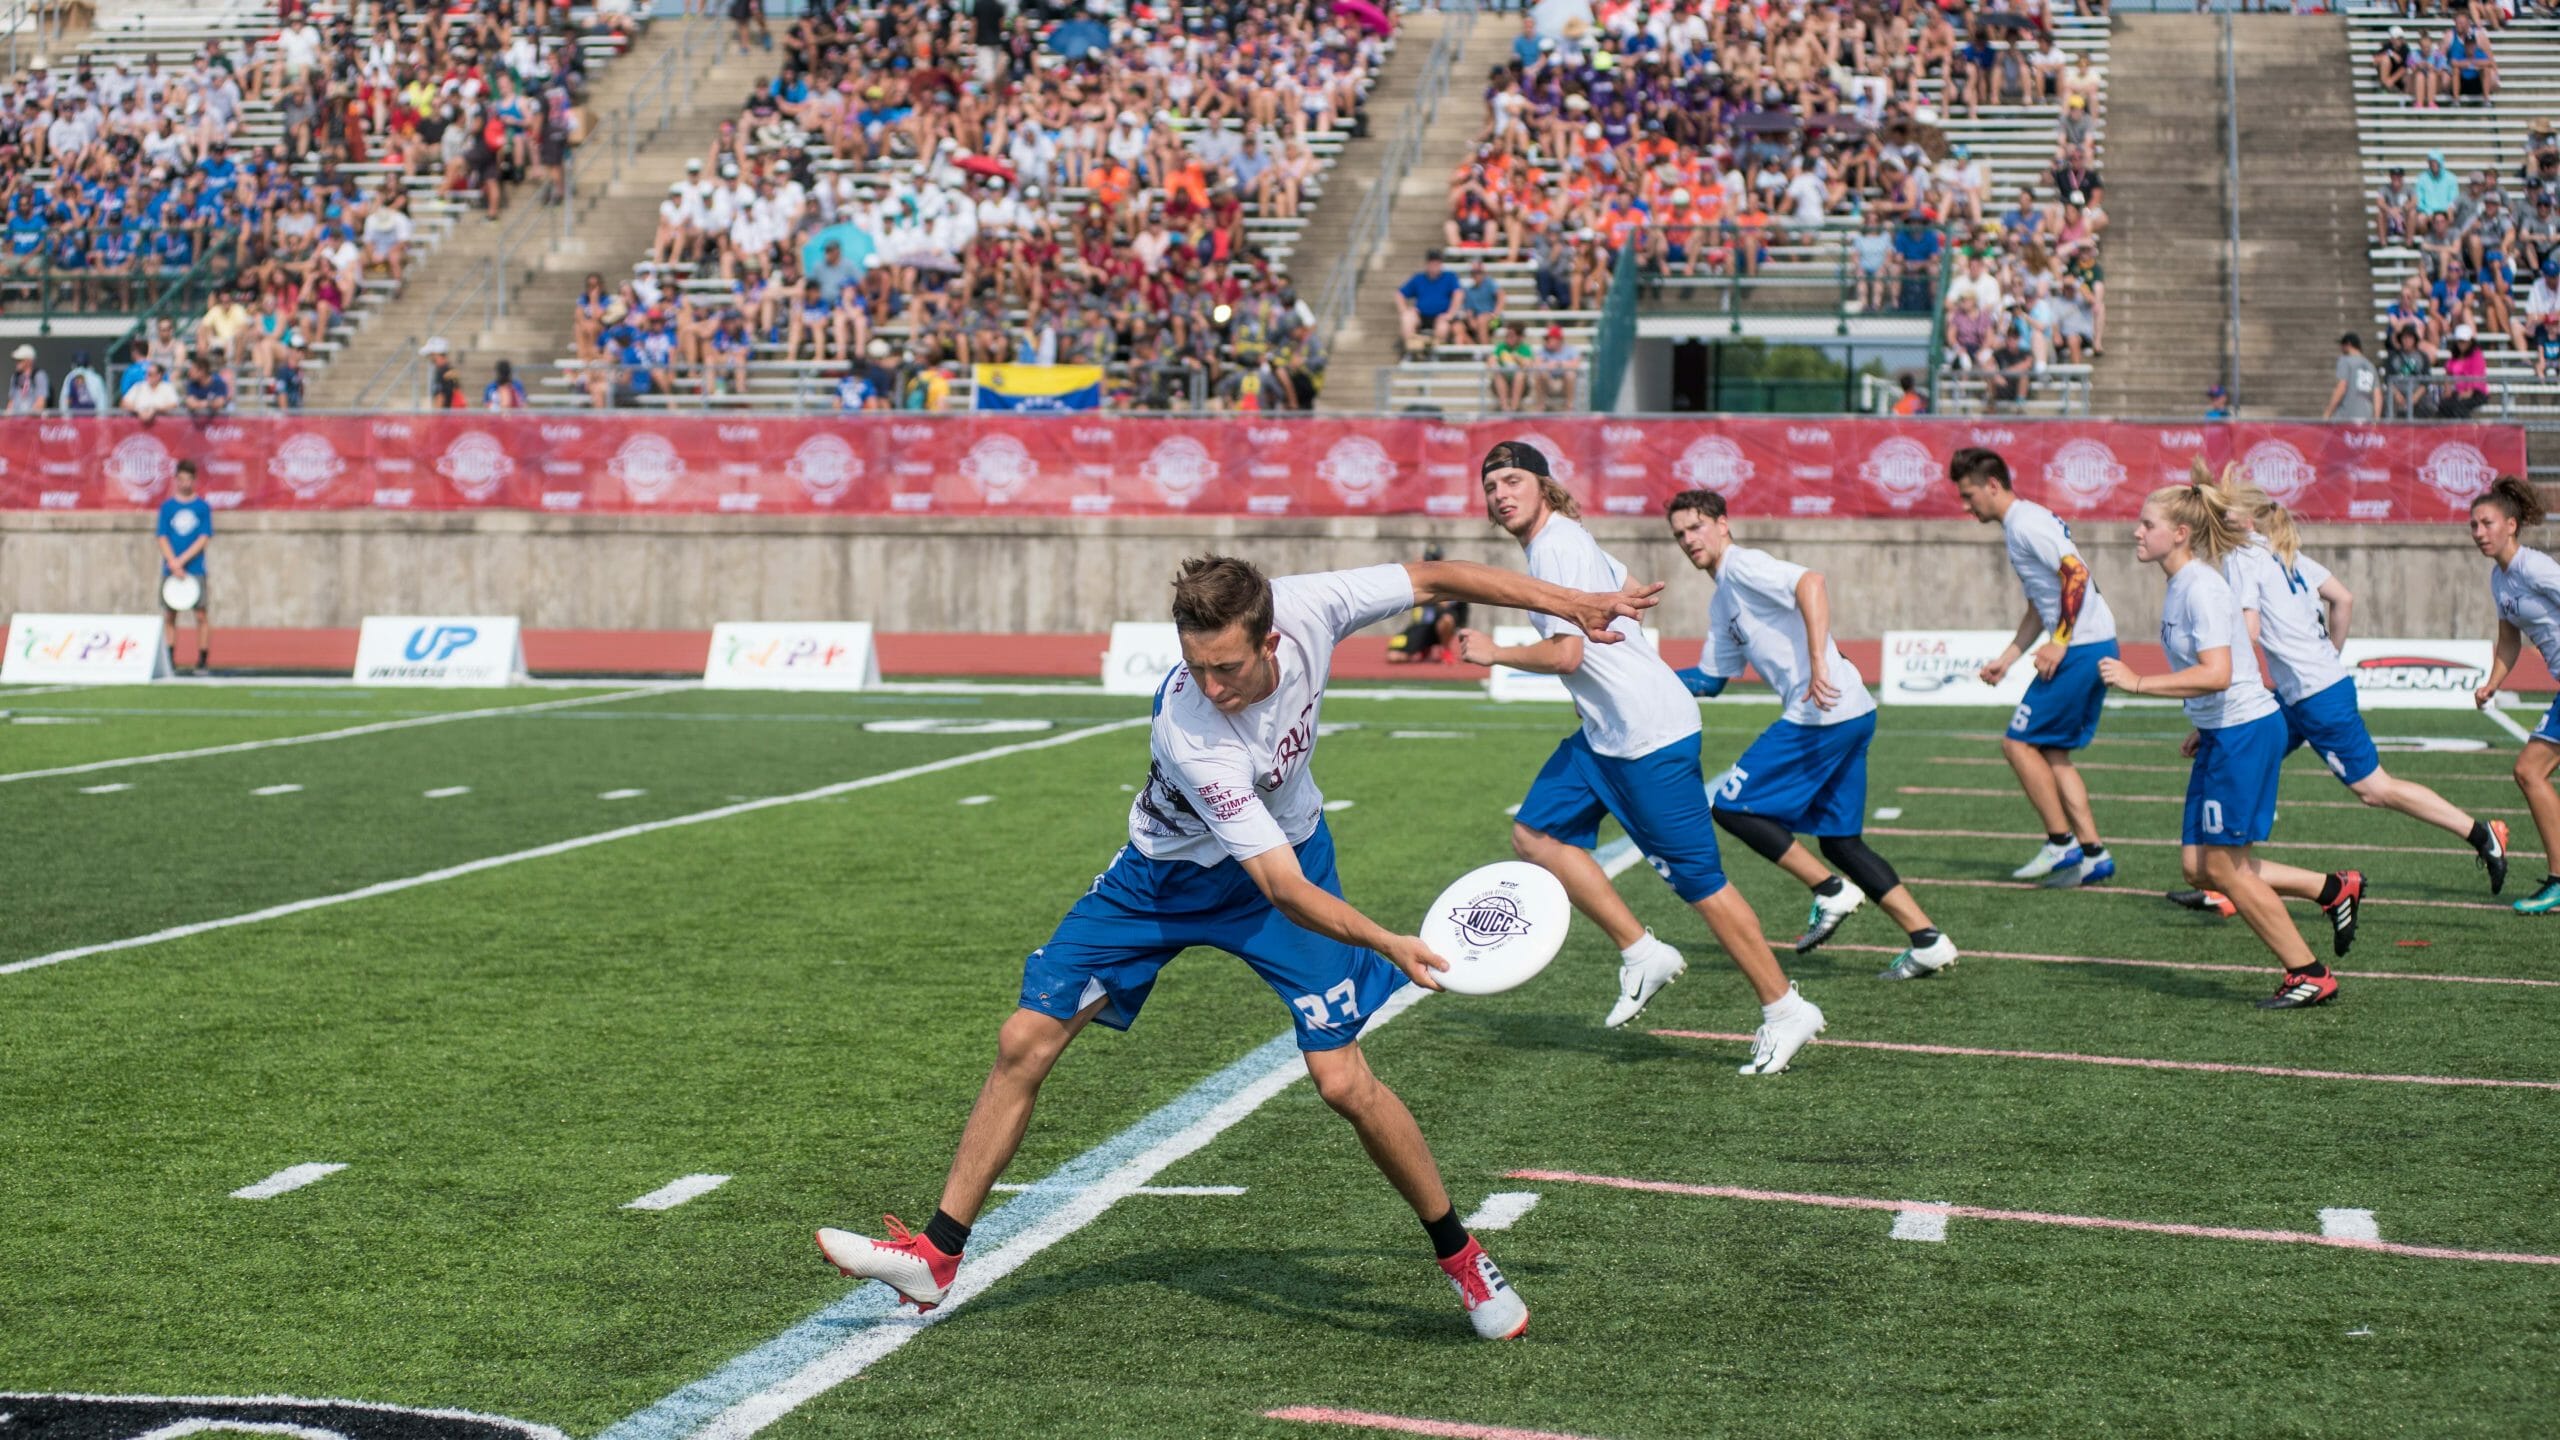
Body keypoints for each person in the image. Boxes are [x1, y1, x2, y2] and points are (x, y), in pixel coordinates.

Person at [816, 551, 1668, 1340]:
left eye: (1227, 666)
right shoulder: (1194, 732)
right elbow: (1283, 892)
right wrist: (1388, 941)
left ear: (1271, 638)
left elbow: (1435, 573)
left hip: (1286, 851)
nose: (1213, 685)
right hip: (1163, 883)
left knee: (1341, 1082)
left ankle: (1461, 1258)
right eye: (1196, 666)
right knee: (1022, 1041)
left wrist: (1577, 602)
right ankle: (936, 1259)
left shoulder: (1313, 605)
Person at [1455, 442, 1827, 1071]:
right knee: (1536, 833)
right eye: (1492, 486)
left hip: (1647, 738)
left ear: (1543, 486)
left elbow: (1567, 655)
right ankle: (1641, 953)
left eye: (1513, 481)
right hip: (1607, 733)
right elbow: (1627, 585)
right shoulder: (1567, 534)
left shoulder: (1554, 545)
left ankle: (1786, 1007)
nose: (1501, 494)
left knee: (1701, 885)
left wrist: (1496, 653)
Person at [2163, 473, 2510, 911]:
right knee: (2238, 759)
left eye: (2221, 513)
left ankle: (2481, 833)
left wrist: (2208, 662)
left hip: (2314, 697)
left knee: (2375, 789)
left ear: (2245, 519)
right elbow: (2342, 598)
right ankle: (2226, 882)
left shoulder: (2242, 558)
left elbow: (2248, 631)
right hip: (2304, 692)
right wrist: (2326, 657)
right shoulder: (2283, 551)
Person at [1665, 489, 1961, 981]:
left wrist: (1819, 661)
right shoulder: (1723, 599)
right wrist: (1641, 676)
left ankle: (1830, 891)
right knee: (1842, 842)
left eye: (1696, 527)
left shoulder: (1742, 566)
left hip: (1822, 712)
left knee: (1733, 805)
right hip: (1850, 711)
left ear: (1722, 524)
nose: (1688, 540)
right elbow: (1710, 681)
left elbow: (1812, 583)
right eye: (1679, 535)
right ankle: (1928, 941)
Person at [2096, 478, 2358, 1010]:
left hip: (2244, 732)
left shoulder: (2201, 587)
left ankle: (2308, 973)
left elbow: (2217, 673)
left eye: (2148, 524)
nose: (2136, 531)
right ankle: (2331, 889)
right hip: (2224, 730)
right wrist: (2203, 723)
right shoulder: (2181, 584)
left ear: (2181, 533)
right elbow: (2226, 671)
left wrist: (2138, 682)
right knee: (2199, 866)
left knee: (2223, 868)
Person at [1950, 447, 2118, 887]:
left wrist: (2059, 642)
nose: (1967, 507)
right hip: (2088, 643)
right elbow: (2040, 602)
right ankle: (2093, 854)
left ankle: (2061, 843)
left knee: (2017, 744)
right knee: (2052, 752)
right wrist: (2008, 658)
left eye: (1970, 496)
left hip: (2080, 648)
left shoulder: (2025, 524)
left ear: (1993, 485)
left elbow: (2076, 575)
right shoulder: (2020, 524)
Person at [2470, 475, 2560, 915]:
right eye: (2473, 525)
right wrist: (2492, 682)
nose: (2478, 532)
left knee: (2529, 771)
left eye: (2486, 523)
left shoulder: (2535, 568)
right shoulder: (2499, 579)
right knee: (2529, 773)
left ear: (2511, 524)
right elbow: (2510, 641)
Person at [156, 459, 212, 675]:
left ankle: (202, 660)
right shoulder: (168, 507)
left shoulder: (202, 507)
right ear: (175, 480)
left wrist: (183, 561)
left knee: (201, 615)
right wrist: (173, 562)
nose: (184, 483)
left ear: (194, 480)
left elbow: (203, 537)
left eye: (188, 479)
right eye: (180, 479)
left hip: (195, 569)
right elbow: (161, 536)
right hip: (171, 570)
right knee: (170, 615)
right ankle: (170, 658)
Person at [1384, 543, 1470, 663]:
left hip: (1440, 626)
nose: (1431, 564)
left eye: (1434, 560)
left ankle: (1445, 649)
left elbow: (1458, 608)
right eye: (1429, 560)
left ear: (1441, 560)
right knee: (1394, 657)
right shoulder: (1417, 575)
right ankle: (1423, 648)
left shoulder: (1450, 578)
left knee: (1447, 620)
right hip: (1421, 628)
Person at [1396, 249, 1461, 354]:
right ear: (1427, 263)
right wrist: (1404, 310)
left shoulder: (1449, 277)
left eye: (1437, 262)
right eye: (1432, 262)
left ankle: (1429, 350)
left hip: (1441, 317)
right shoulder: (1419, 278)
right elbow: (1399, 294)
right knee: (1407, 317)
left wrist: (1450, 314)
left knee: (1443, 327)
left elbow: (1458, 294)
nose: (1434, 265)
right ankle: (1414, 349)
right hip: (1421, 317)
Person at [2325, 332, 2379, 422]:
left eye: (2342, 345)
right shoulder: (2371, 366)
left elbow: (2341, 387)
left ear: (2348, 345)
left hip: (2346, 417)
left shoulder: (2345, 360)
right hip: (2366, 418)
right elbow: (2377, 394)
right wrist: (2376, 420)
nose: (2341, 348)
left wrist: (2328, 412)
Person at [7, 344, 48, 413]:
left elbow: (41, 402)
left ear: (29, 361)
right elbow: (11, 401)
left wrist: (28, 418)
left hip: (32, 421)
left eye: (20, 360)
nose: (17, 363)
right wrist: (8, 417)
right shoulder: (15, 376)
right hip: (15, 421)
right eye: (16, 360)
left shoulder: (39, 375)